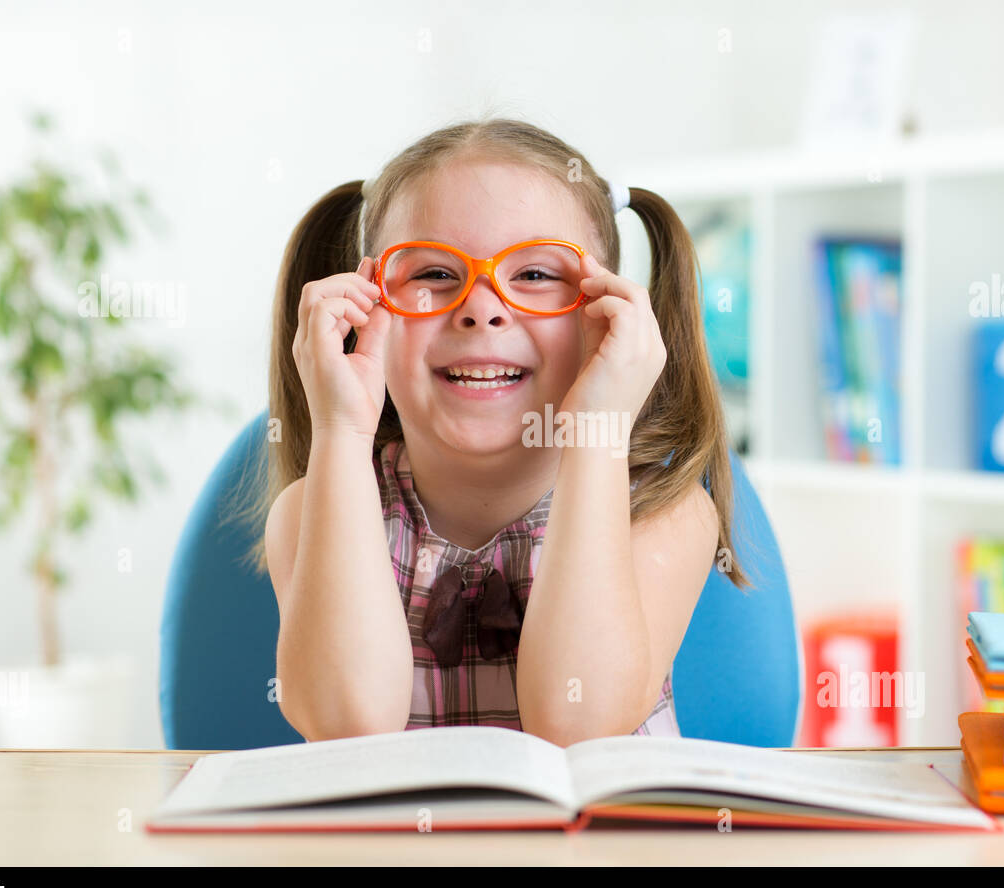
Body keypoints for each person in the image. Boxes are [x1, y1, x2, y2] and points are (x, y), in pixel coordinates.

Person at [247, 117, 749, 746]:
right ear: (365, 304)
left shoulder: (660, 515)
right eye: (432, 274)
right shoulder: (311, 514)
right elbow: (348, 724)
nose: (482, 307)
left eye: (536, 275)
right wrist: (342, 429)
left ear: (607, 316)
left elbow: (579, 724)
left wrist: (598, 429)